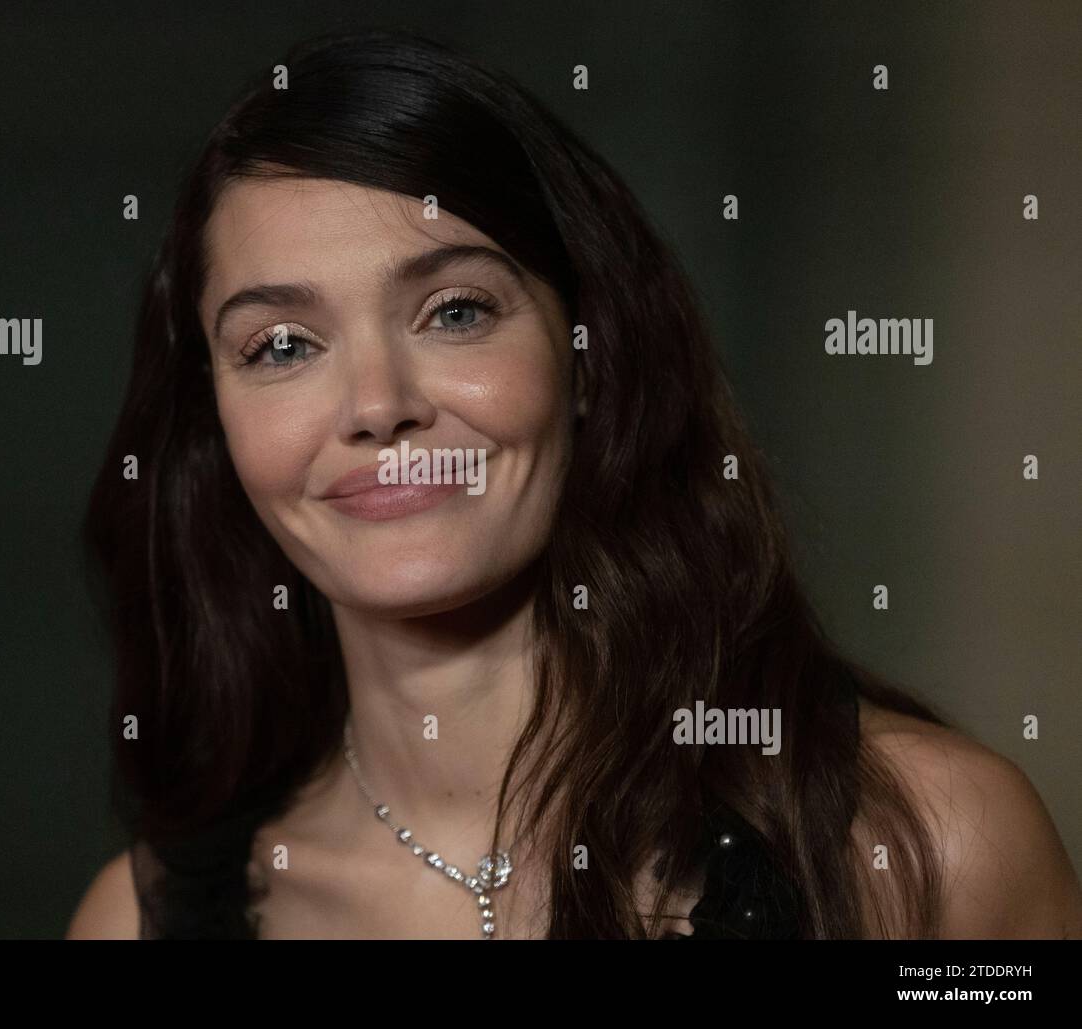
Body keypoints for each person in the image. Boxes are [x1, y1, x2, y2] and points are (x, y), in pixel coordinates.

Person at [66, 28, 1082, 940]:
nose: (377, 405)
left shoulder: (925, 844)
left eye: (455, 312)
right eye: (282, 344)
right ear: (217, 419)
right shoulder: (138, 920)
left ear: (588, 358)